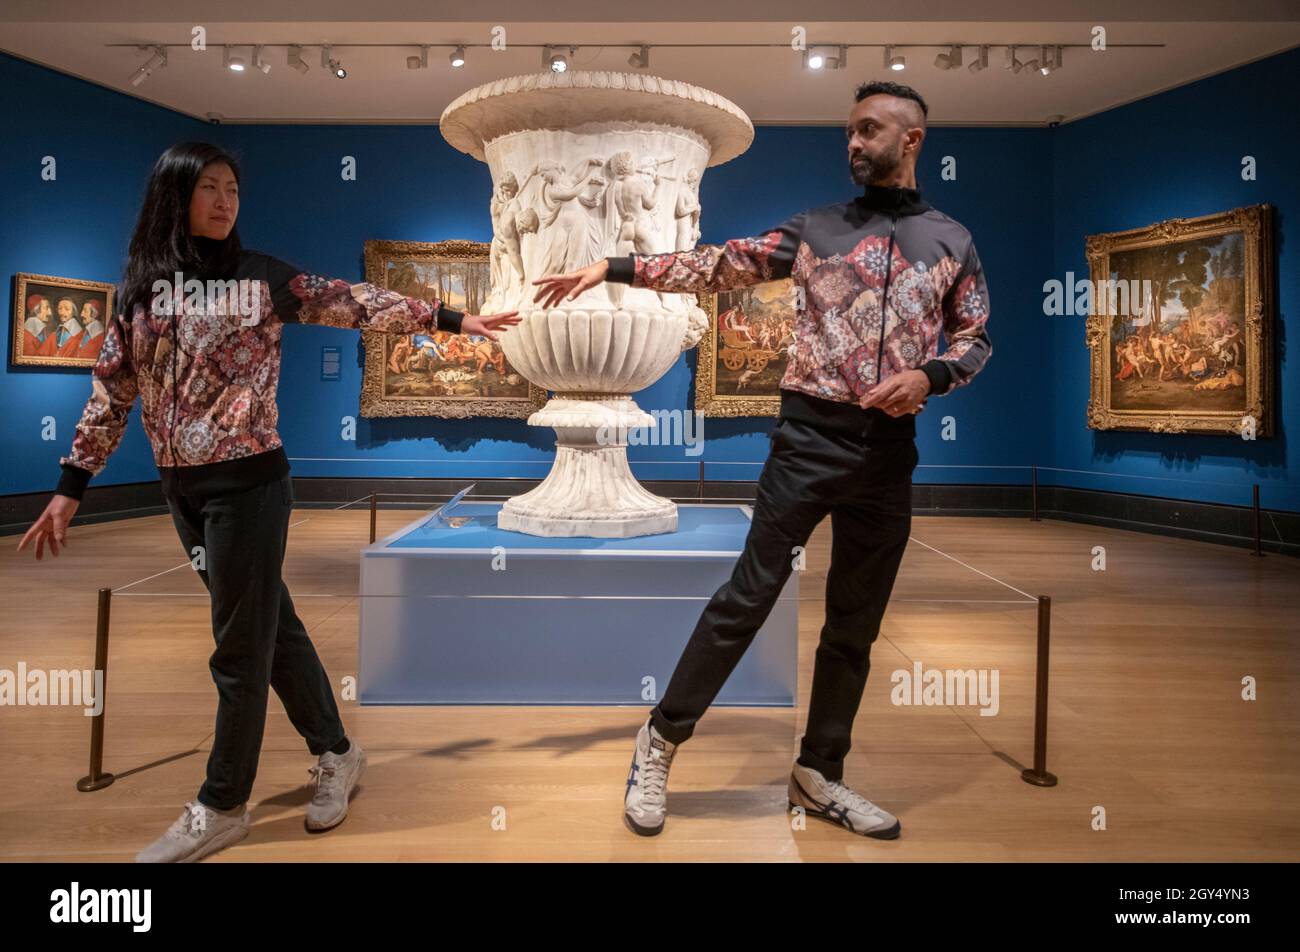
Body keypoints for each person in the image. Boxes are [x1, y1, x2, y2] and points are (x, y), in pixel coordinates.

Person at [17, 141, 520, 862]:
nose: (225, 202)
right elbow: (111, 392)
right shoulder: (139, 293)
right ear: (175, 196)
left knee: (238, 650)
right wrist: (71, 488)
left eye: (233, 190)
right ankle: (338, 752)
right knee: (269, 629)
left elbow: (353, 301)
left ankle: (222, 802)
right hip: (180, 489)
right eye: (210, 189)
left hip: (251, 483)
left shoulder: (262, 282)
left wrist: (450, 321)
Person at [534, 81, 992, 839]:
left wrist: (931, 376)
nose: (853, 142)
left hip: (888, 454)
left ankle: (821, 773)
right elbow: (718, 264)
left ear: (911, 140)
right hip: (807, 443)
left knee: (855, 623)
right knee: (747, 597)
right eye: (849, 130)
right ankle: (660, 740)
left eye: (868, 129)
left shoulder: (953, 240)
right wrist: (615, 268)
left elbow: (977, 337)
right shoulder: (815, 228)